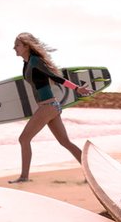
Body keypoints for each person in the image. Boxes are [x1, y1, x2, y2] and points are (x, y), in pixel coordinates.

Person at [9, 33, 92, 184]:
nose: (14, 48)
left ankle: (24, 177)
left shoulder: (35, 61)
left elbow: (55, 77)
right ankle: (91, 173)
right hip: (50, 107)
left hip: (48, 106)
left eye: (17, 45)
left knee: (24, 139)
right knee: (65, 142)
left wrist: (77, 88)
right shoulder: (26, 63)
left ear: (27, 46)